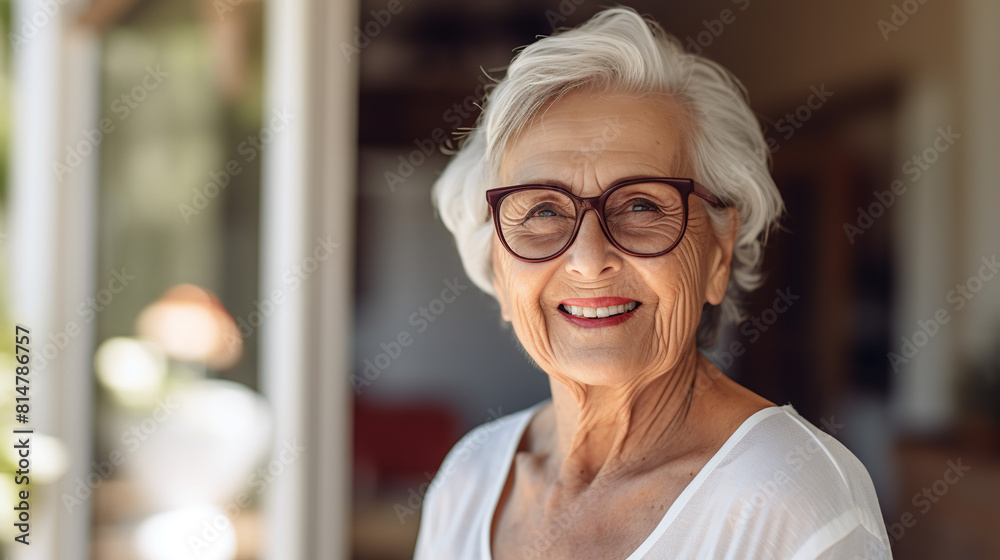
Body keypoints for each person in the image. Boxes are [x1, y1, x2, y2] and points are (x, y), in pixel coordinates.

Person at [415, 7, 891, 559]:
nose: (589, 260)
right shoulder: (469, 482)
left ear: (718, 252)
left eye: (641, 204)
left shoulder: (786, 497)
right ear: (498, 269)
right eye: (543, 211)